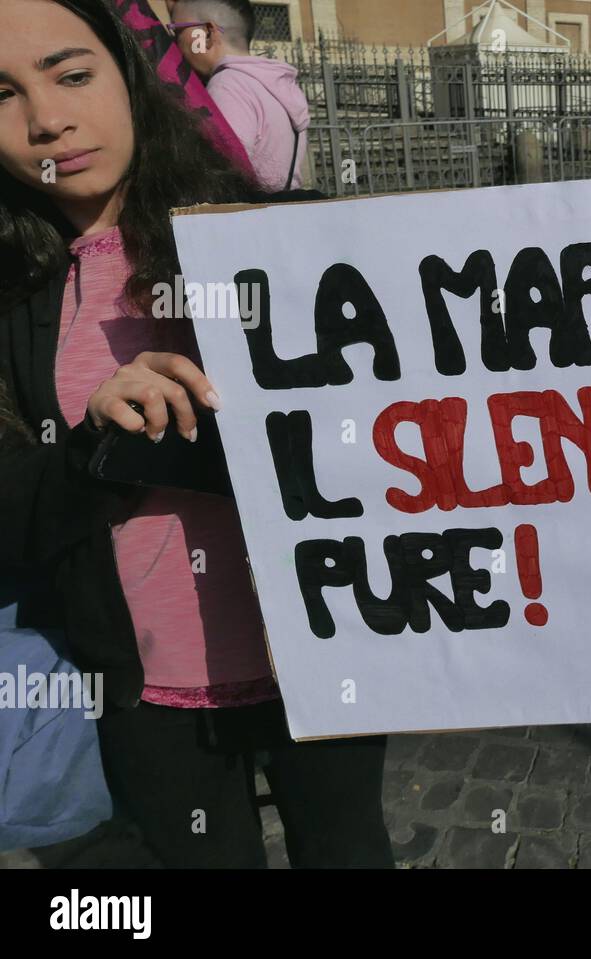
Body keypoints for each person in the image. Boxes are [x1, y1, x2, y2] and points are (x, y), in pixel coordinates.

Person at [0, 0, 393, 867]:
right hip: (150, 704)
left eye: (72, 74)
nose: (46, 120)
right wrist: (92, 446)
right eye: (1, 94)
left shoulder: (278, 239)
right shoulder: (15, 290)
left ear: (130, 73)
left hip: (324, 670)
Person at [168, 0, 309, 191]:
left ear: (208, 34)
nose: (174, 44)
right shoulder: (274, 83)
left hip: (249, 215)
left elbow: (222, 173)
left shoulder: (228, 85)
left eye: (177, 31)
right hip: (280, 212)